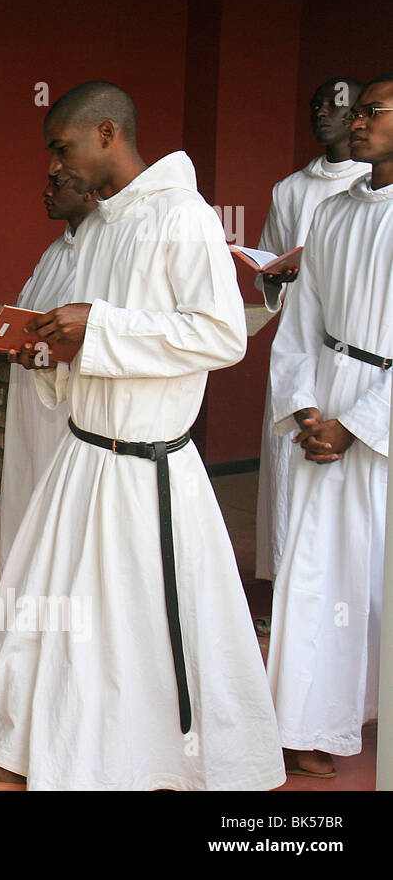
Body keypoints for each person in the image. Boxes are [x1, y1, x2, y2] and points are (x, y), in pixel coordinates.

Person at [0, 82, 284, 791]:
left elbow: (221, 333)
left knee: (131, 633)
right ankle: (26, 758)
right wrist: (52, 353)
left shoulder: (183, 216)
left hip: (146, 470)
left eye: (62, 146)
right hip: (85, 456)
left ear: (108, 134)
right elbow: (86, 341)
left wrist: (100, 327)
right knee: (54, 620)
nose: (55, 164)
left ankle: (109, 762)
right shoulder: (103, 227)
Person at [265, 74, 393, 779]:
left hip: (379, 408)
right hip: (327, 401)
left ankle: (364, 703)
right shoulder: (336, 213)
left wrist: (360, 424)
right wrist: (308, 410)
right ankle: (310, 717)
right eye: (359, 110)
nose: (357, 122)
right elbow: (301, 325)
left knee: (374, 574)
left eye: (374, 111)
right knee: (319, 569)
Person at [252, 77, 370, 597]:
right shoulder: (292, 189)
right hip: (301, 349)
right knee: (289, 468)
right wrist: (271, 276)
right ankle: (286, 587)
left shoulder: (374, 185)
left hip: (359, 346)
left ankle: (347, 594)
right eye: (316, 104)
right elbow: (270, 256)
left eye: (338, 106)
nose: (324, 113)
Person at [0, 176, 96, 568]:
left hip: (67, 404)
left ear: (90, 191)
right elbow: (28, 306)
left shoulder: (102, 252)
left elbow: (98, 330)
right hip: (29, 390)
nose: (46, 190)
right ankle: (20, 602)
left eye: (57, 184)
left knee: (62, 508)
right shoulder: (56, 249)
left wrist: (51, 350)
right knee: (24, 492)